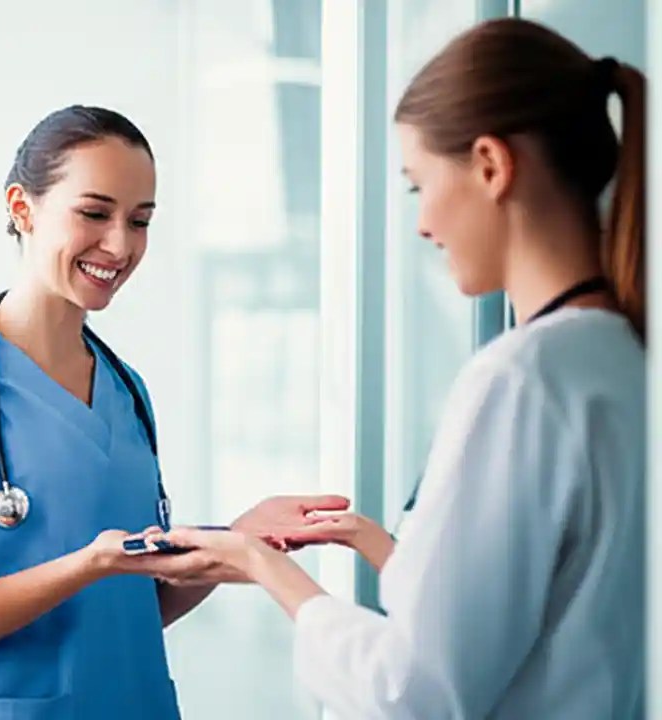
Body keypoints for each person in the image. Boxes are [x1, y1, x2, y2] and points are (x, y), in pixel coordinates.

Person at [149, 18, 647, 719]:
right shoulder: (624, 361)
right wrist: (374, 542)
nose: (422, 225)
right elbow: (533, 616)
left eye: (418, 187)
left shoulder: (522, 380)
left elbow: (416, 691)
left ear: (490, 166)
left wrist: (266, 567)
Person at [0, 104, 348, 718]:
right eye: (94, 213)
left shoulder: (125, 390)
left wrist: (234, 542)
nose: (120, 244)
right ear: (22, 208)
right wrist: (87, 564)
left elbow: (134, 611)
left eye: (139, 221)